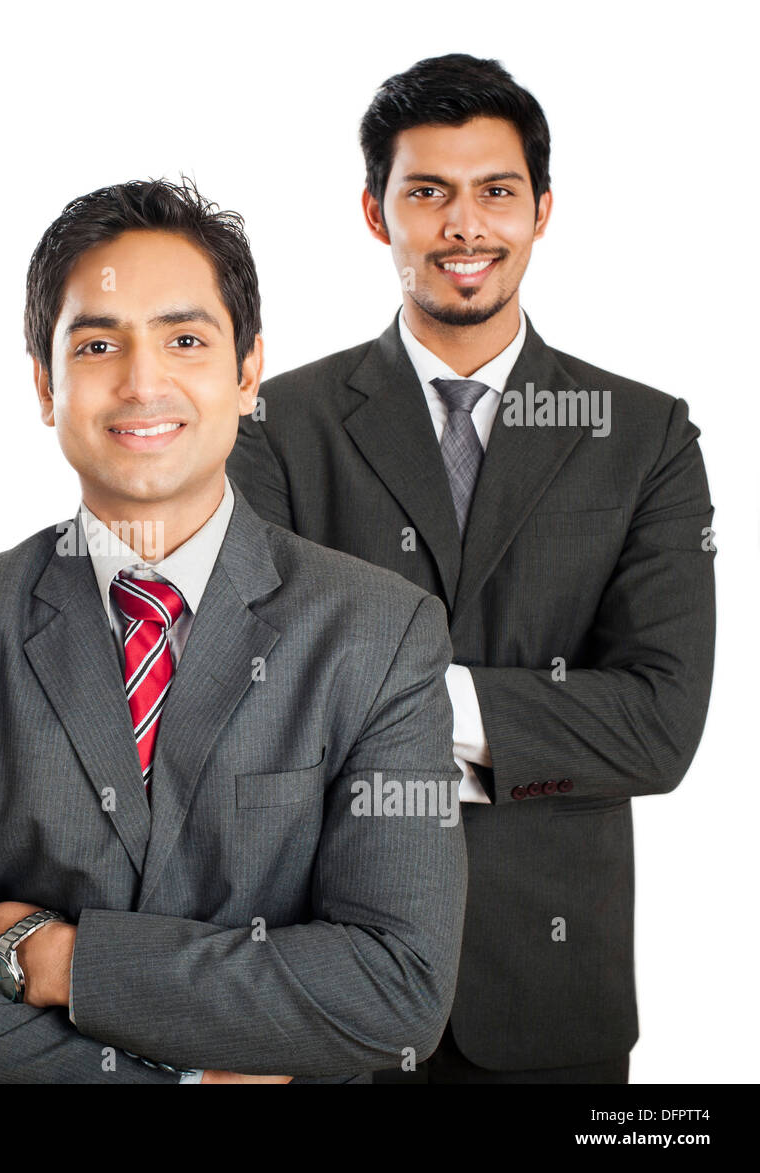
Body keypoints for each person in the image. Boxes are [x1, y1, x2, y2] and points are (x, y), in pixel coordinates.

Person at [0, 177, 467, 1083]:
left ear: (247, 375)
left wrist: (60, 960)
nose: (142, 381)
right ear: (47, 387)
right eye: (98, 343)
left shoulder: (378, 633)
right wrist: (185, 1080)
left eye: (185, 339)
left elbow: (394, 991)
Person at [228, 55, 715, 1083]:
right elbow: (249, 700)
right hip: (327, 990)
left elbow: (659, 727)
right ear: (375, 213)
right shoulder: (276, 427)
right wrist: (520, 727)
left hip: (550, 1005)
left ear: (541, 210)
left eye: (495, 192)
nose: (464, 226)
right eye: (427, 193)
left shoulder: (644, 436)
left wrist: (382, 703)